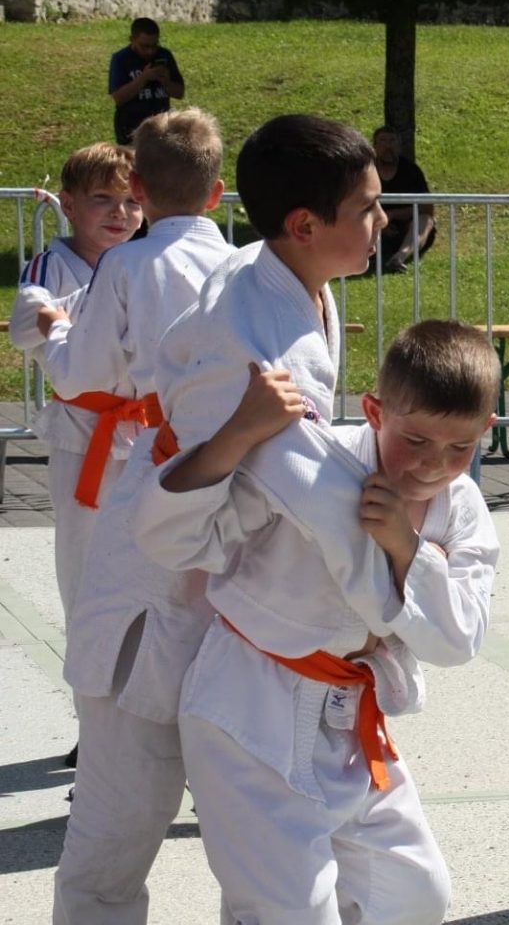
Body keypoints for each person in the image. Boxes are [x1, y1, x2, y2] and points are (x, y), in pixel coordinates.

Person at [133, 315, 500, 925]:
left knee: (415, 894)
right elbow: (172, 538)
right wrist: (236, 434)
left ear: (486, 431)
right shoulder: (306, 467)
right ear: (375, 411)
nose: (432, 465)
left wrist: (406, 548)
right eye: (415, 441)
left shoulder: (462, 508)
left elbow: (460, 635)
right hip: (250, 709)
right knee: (288, 911)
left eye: (459, 447)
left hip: (349, 723)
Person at [43, 109, 233, 924]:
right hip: (239, 479)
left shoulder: (126, 265)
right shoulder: (250, 267)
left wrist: (51, 337)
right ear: (220, 194)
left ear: (142, 191)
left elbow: (82, 372)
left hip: (154, 471)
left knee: (122, 689)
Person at [8, 143, 142, 769]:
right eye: (103, 201)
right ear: (67, 206)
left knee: (153, 581)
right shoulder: (50, 264)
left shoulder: (145, 265)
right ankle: (96, 723)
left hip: (146, 439)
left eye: (132, 201)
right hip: (83, 439)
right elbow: (32, 326)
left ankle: (142, 720)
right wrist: (80, 328)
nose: (120, 213)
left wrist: (78, 326)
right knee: (88, 587)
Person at [108, 17, 186, 147]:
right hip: (131, 132)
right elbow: (118, 98)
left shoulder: (164, 55)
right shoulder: (121, 59)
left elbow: (180, 93)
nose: (150, 51)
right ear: (132, 39)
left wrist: (166, 81)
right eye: (144, 46)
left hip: (162, 130)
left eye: (154, 45)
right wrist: (143, 78)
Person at [372, 126, 437, 273]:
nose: (388, 146)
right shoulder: (366, 171)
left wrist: (393, 214)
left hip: (406, 231)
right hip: (373, 227)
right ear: (374, 146)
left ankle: (399, 258)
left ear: (399, 147)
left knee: (425, 220)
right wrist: (380, 221)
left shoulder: (411, 171)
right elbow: (356, 204)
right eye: (383, 141)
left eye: (392, 141)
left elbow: (427, 208)